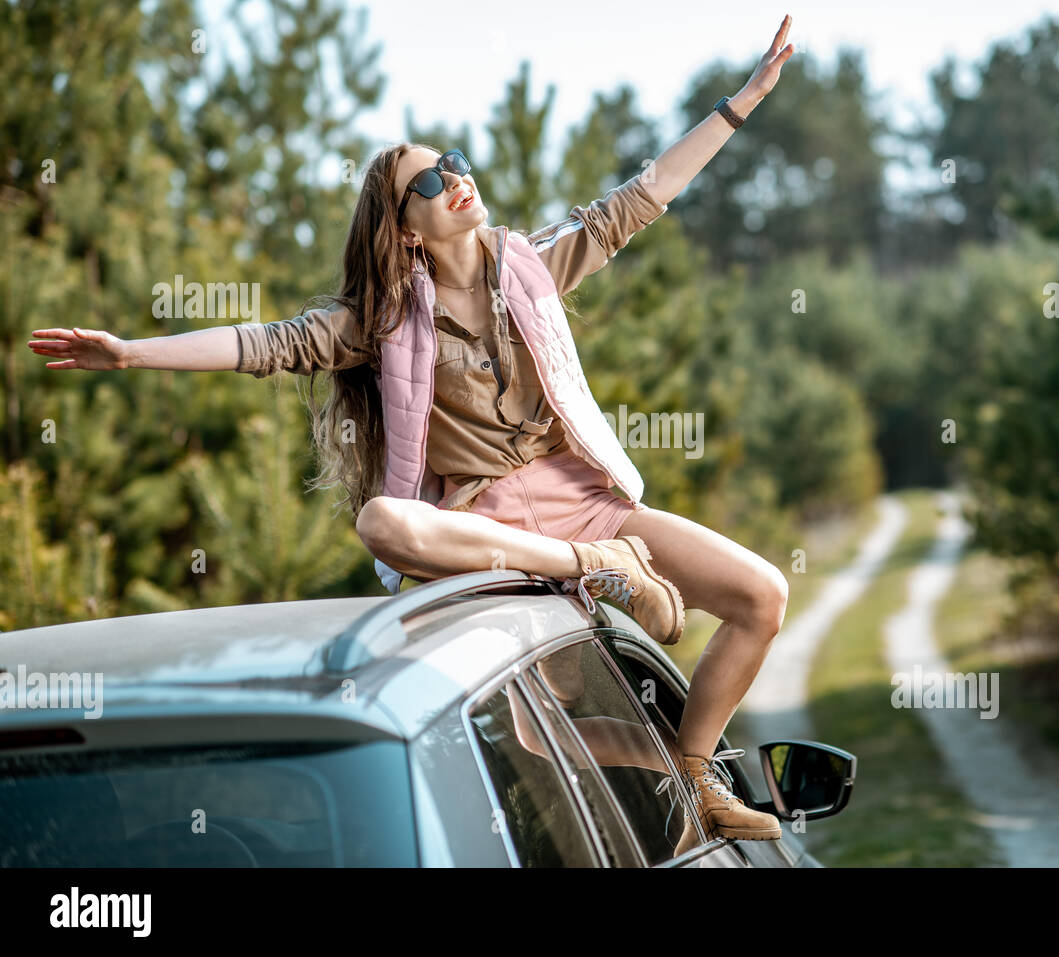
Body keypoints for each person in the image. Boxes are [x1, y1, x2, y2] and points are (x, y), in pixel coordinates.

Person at [29, 15, 797, 853]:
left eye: (453, 164)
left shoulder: (535, 265)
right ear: (403, 229)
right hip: (485, 525)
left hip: (584, 501)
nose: (453, 180)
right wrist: (132, 353)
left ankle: (692, 776)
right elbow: (263, 344)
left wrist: (740, 104)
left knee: (763, 596)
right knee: (382, 525)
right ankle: (603, 575)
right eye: (427, 184)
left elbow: (645, 194)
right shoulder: (380, 320)